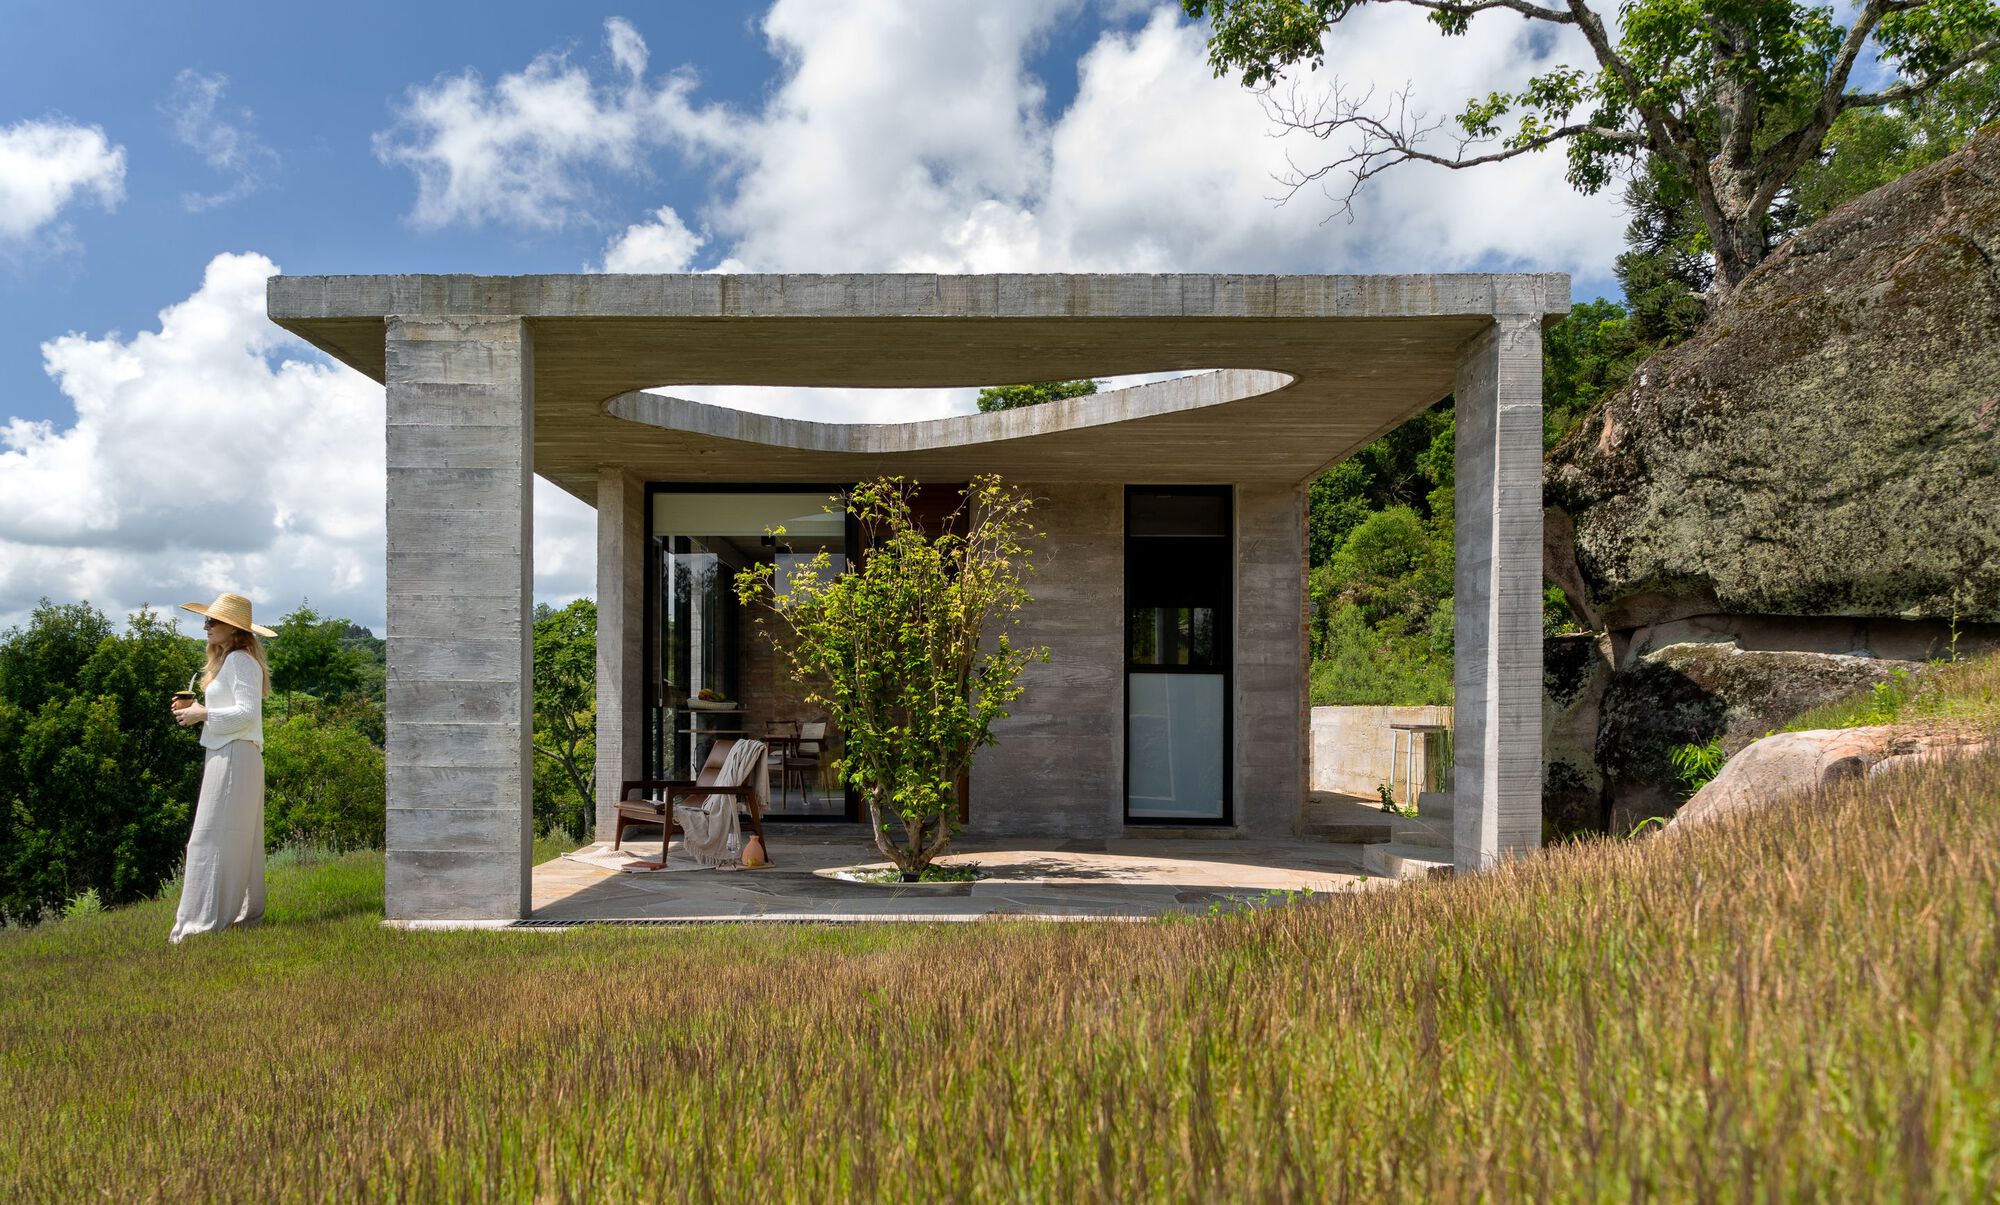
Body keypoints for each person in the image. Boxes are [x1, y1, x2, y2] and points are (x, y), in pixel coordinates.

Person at [167, 592, 275, 943]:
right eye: (207, 619)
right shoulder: (231, 661)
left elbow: (246, 713)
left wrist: (203, 713)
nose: (206, 626)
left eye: (213, 621)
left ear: (234, 628)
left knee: (210, 839)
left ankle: (203, 922)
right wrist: (197, 709)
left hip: (234, 755)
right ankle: (232, 915)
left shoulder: (241, 660)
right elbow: (236, 709)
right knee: (229, 839)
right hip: (228, 753)